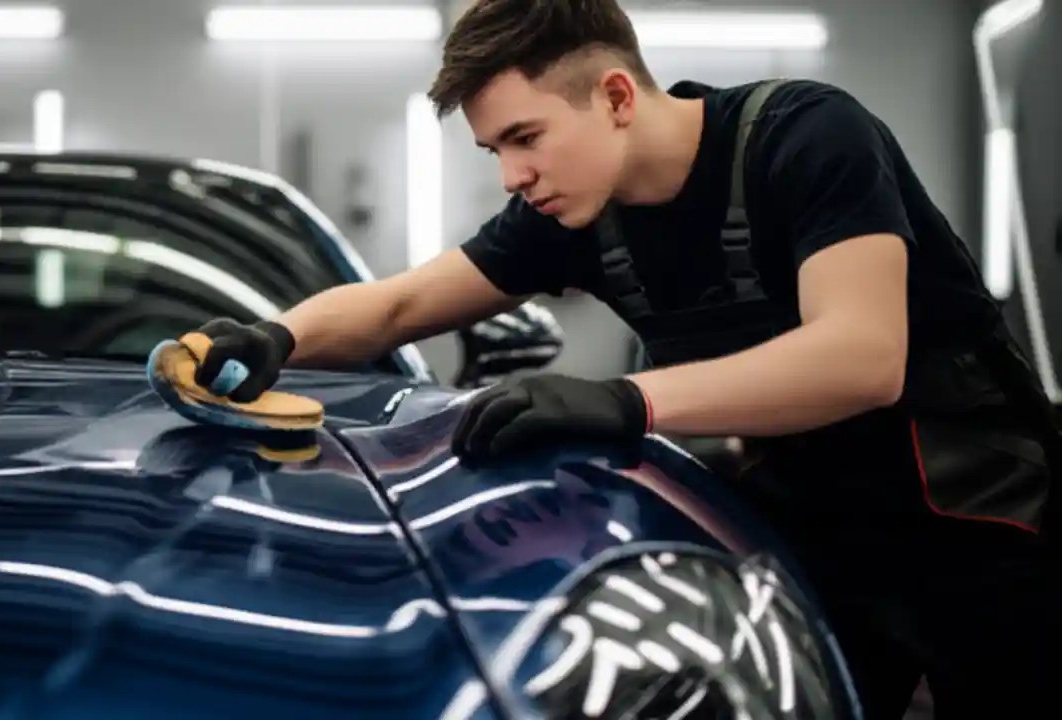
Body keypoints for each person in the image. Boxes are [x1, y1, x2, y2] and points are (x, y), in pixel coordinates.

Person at [186, 1, 1054, 716]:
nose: (512, 176)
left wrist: (626, 399)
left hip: (978, 524)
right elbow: (401, 306)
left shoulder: (806, 135)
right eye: (496, 151)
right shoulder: (574, 215)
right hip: (813, 528)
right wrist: (277, 338)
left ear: (614, 96)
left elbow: (862, 357)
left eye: (526, 136)